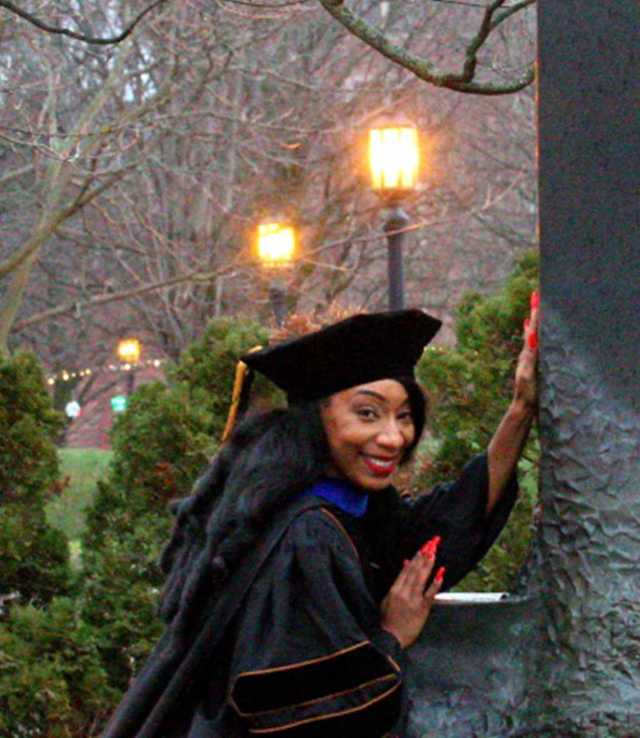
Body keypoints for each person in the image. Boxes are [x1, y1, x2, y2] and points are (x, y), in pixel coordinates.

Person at [100, 304, 538, 738]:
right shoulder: (306, 537)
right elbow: (304, 711)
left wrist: (521, 409)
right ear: (316, 417)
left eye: (404, 416)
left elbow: (430, 538)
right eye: (367, 413)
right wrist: (391, 636)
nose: (393, 437)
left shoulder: (325, 510)